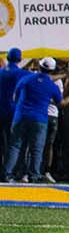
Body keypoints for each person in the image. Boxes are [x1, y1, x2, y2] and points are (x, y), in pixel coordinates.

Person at [4, 58, 61, 182]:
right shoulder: (51, 85)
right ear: (52, 70)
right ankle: (33, 175)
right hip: (40, 118)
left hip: (21, 115)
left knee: (15, 146)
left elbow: (15, 96)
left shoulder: (27, 78)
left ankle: (8, 173)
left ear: (39, 67)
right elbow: (59, 101)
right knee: (37, 148)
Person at [0, 49, 25, 177]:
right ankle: (9, 172)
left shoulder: (1, 71)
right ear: (19, 59)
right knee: (13, 144)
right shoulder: (20, 73)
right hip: (12, 112)